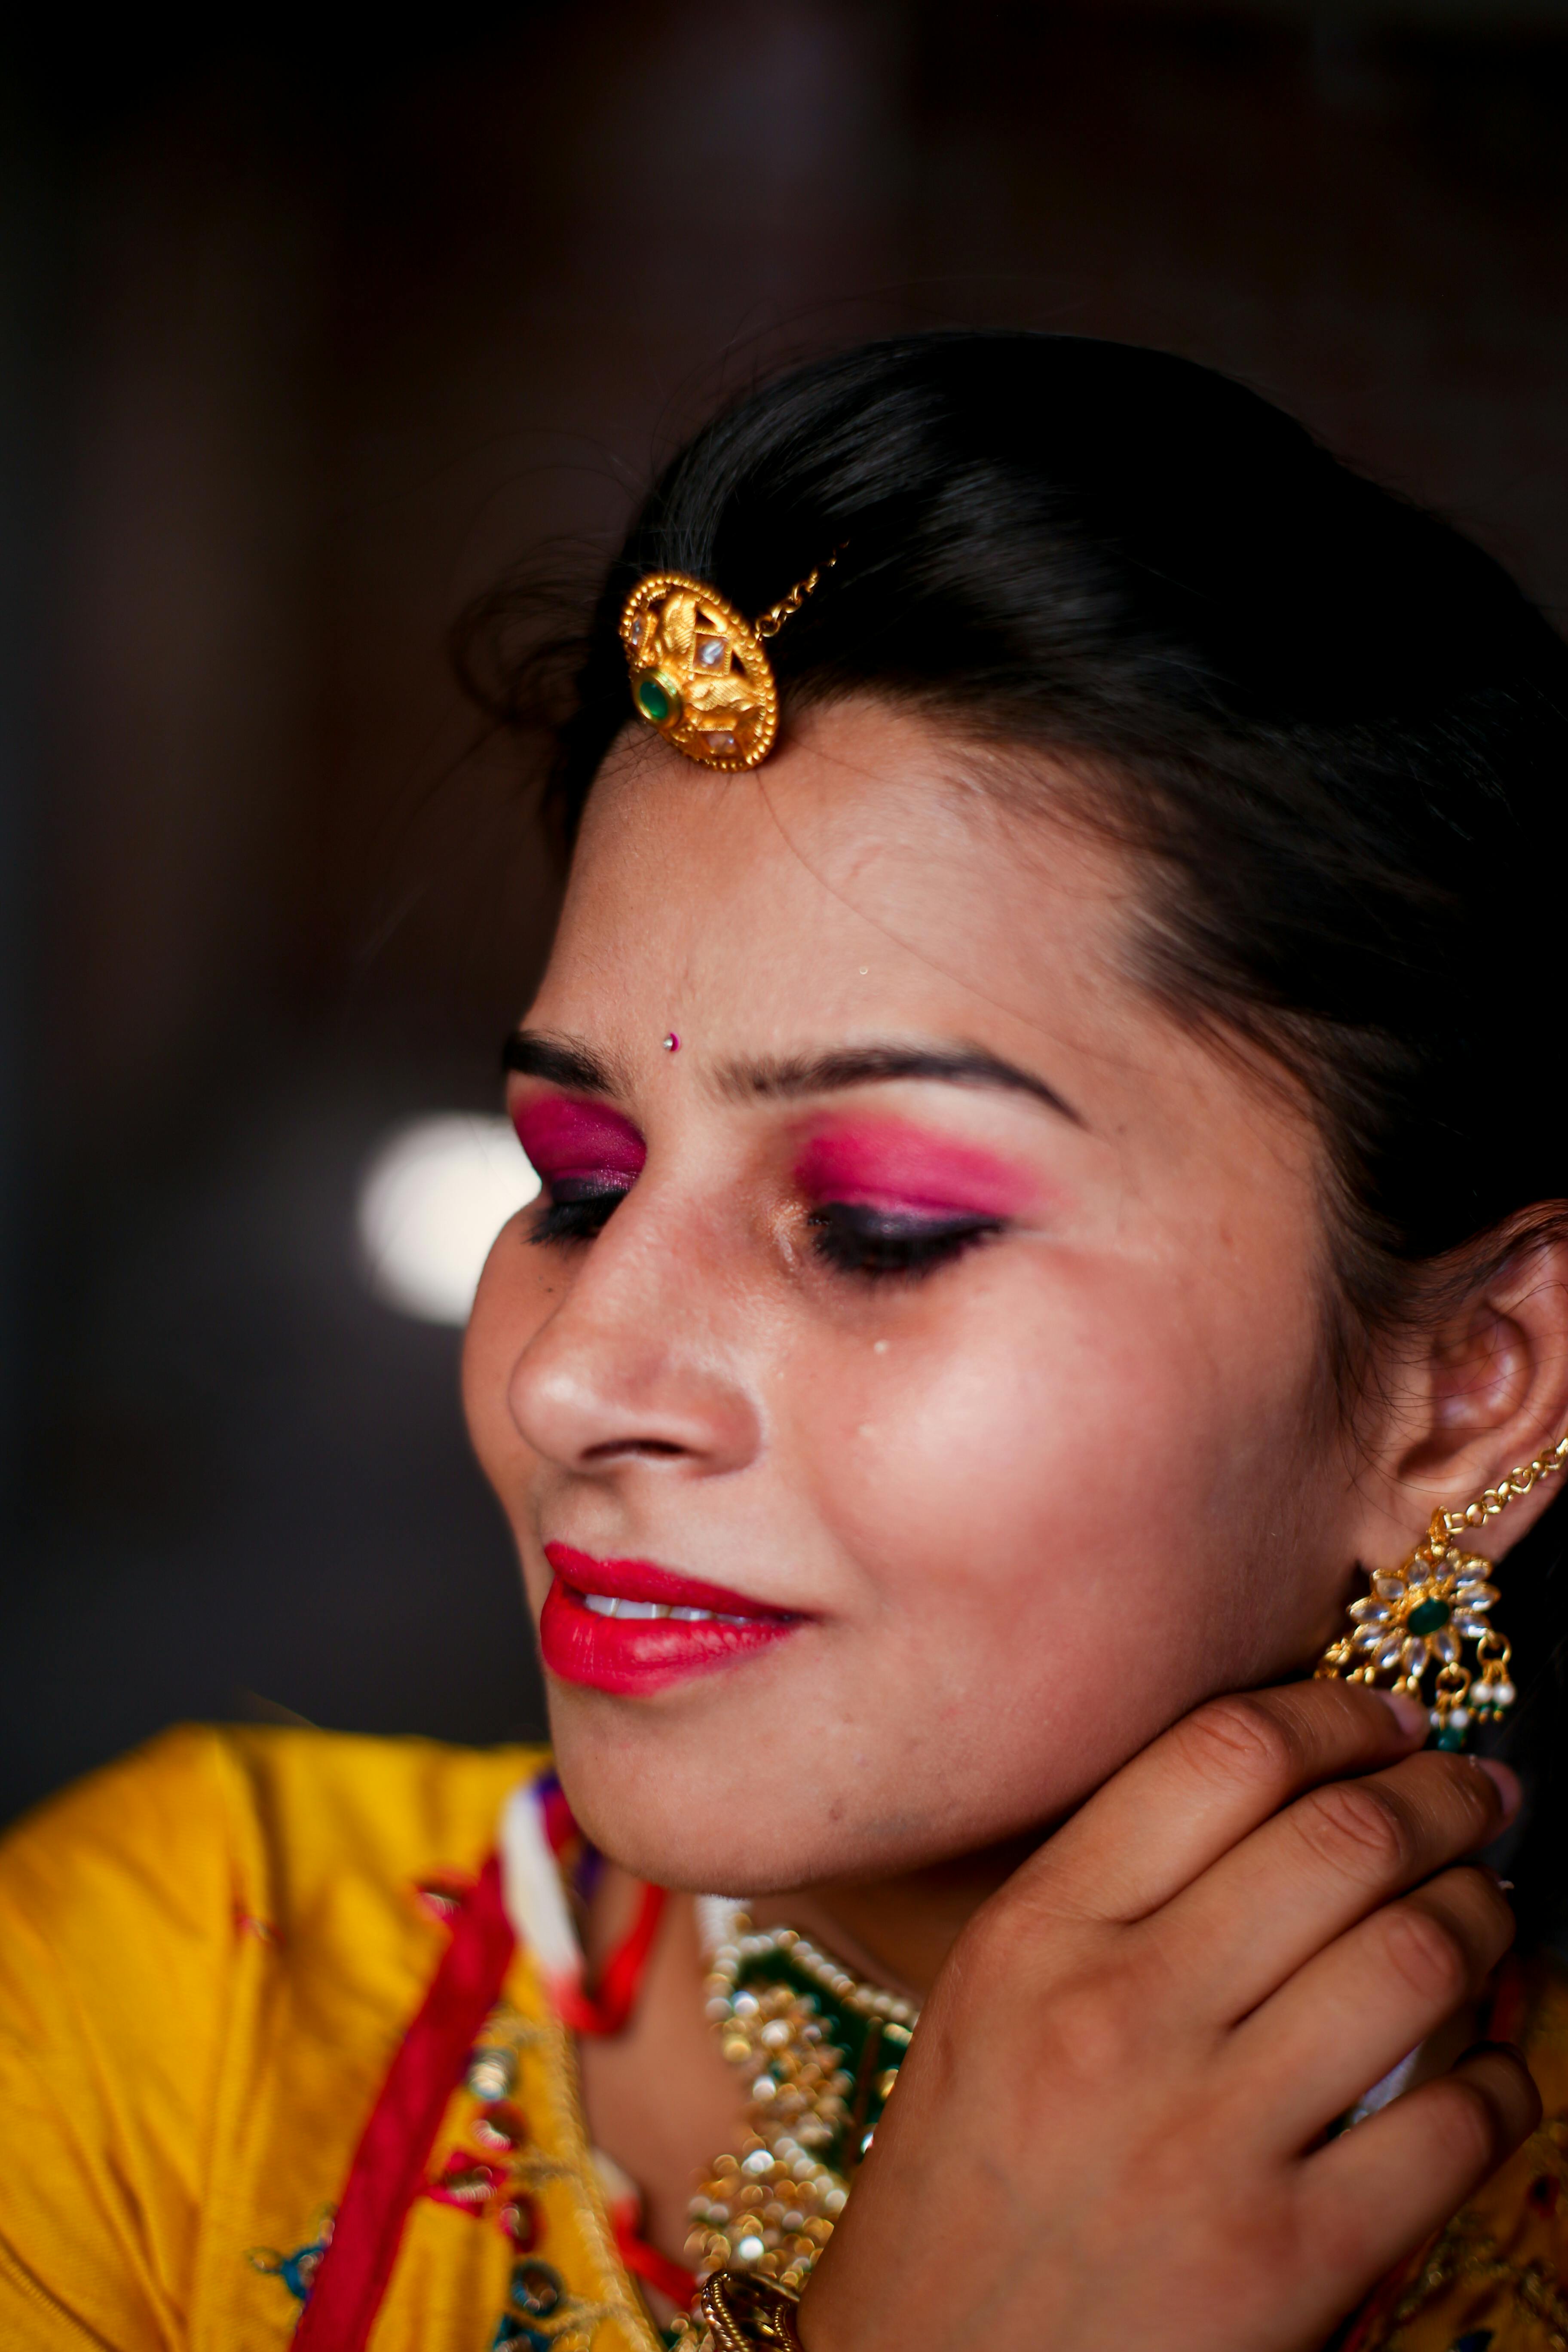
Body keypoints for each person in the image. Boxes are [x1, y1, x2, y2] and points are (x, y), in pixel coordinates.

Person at [3, 331, 1566, 2352]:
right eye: (580, 1181)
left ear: (1470, 1388)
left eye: (879, 1230)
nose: (572, 1378)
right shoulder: (157, 2012)